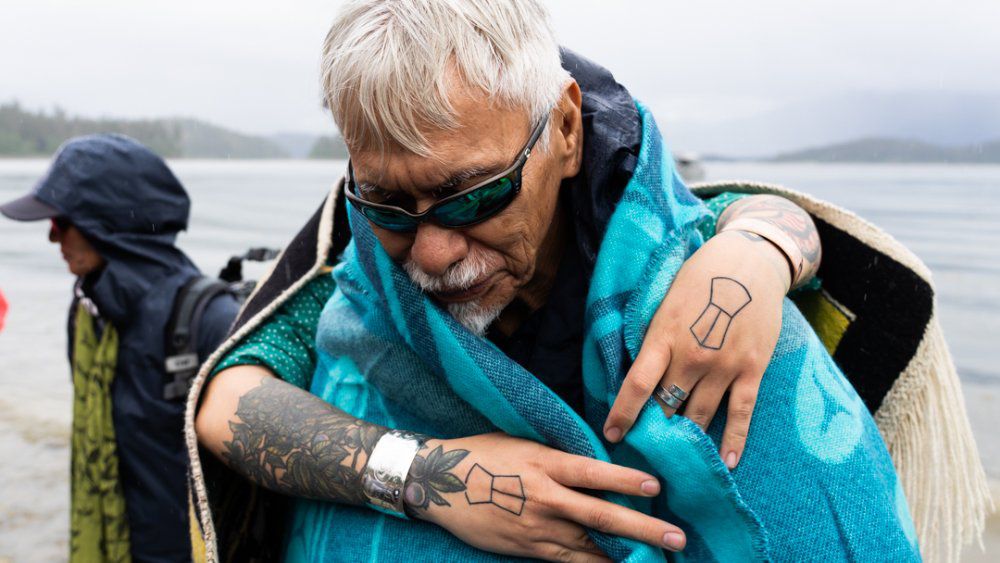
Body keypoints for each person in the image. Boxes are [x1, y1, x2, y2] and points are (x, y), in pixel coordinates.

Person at [188, 1, 927, 561]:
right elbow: (228, 399)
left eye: (474, 195)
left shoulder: (703, 272)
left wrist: (764, 247)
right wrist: (428, 475)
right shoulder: (362, 274)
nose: (435, 253)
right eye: (388, 206)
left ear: (567, 130)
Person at [0, 134, 241, 562]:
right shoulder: (90, 314)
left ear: (105, 224)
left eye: (60, 223)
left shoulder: (209, 319)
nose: (52, 239)